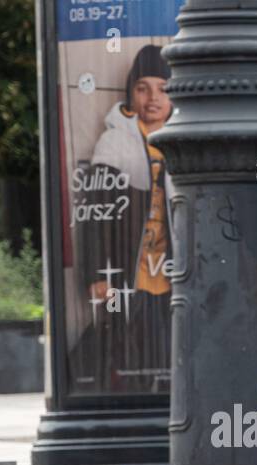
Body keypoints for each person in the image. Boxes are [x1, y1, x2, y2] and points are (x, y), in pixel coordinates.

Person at [78, 44, 173, 394]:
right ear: (130, 93)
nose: (152, 98)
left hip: (173, 270)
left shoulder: (183, 140)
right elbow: (93, 216)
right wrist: (93, 272)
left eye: (163, 88)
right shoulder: (114, 143)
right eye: (142, 88)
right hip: (127, 268)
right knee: (127, 347)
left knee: (168, 349)